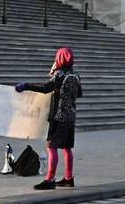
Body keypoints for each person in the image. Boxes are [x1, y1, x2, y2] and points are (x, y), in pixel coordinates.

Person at [15, 47, 82, 190]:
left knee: (51, 147)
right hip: (71, 117)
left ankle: (50, 179)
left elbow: (45, 88)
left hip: (58, 117)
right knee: (67, 148)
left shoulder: (59, 75)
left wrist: (26, 86)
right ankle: (69, 178)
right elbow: (80, 93)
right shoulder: (76, 75)